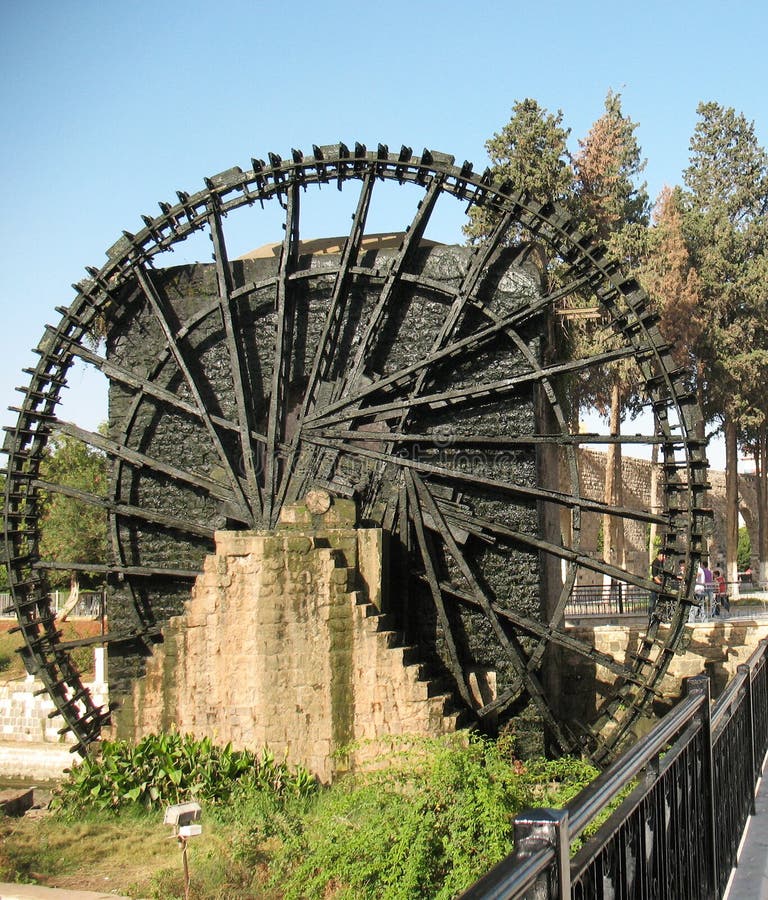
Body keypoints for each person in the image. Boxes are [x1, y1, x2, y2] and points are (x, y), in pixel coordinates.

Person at [649, 550, 665, 620]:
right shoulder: (655, 563)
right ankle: (651, 614)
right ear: (659, 555)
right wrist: (661, 583)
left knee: (657, 600)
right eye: (662, 556)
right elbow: (655, 576)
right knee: (653, 599)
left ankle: (658, 613)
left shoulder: (661, 563)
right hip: (655, 585)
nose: (664, 557)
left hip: (659, 584)